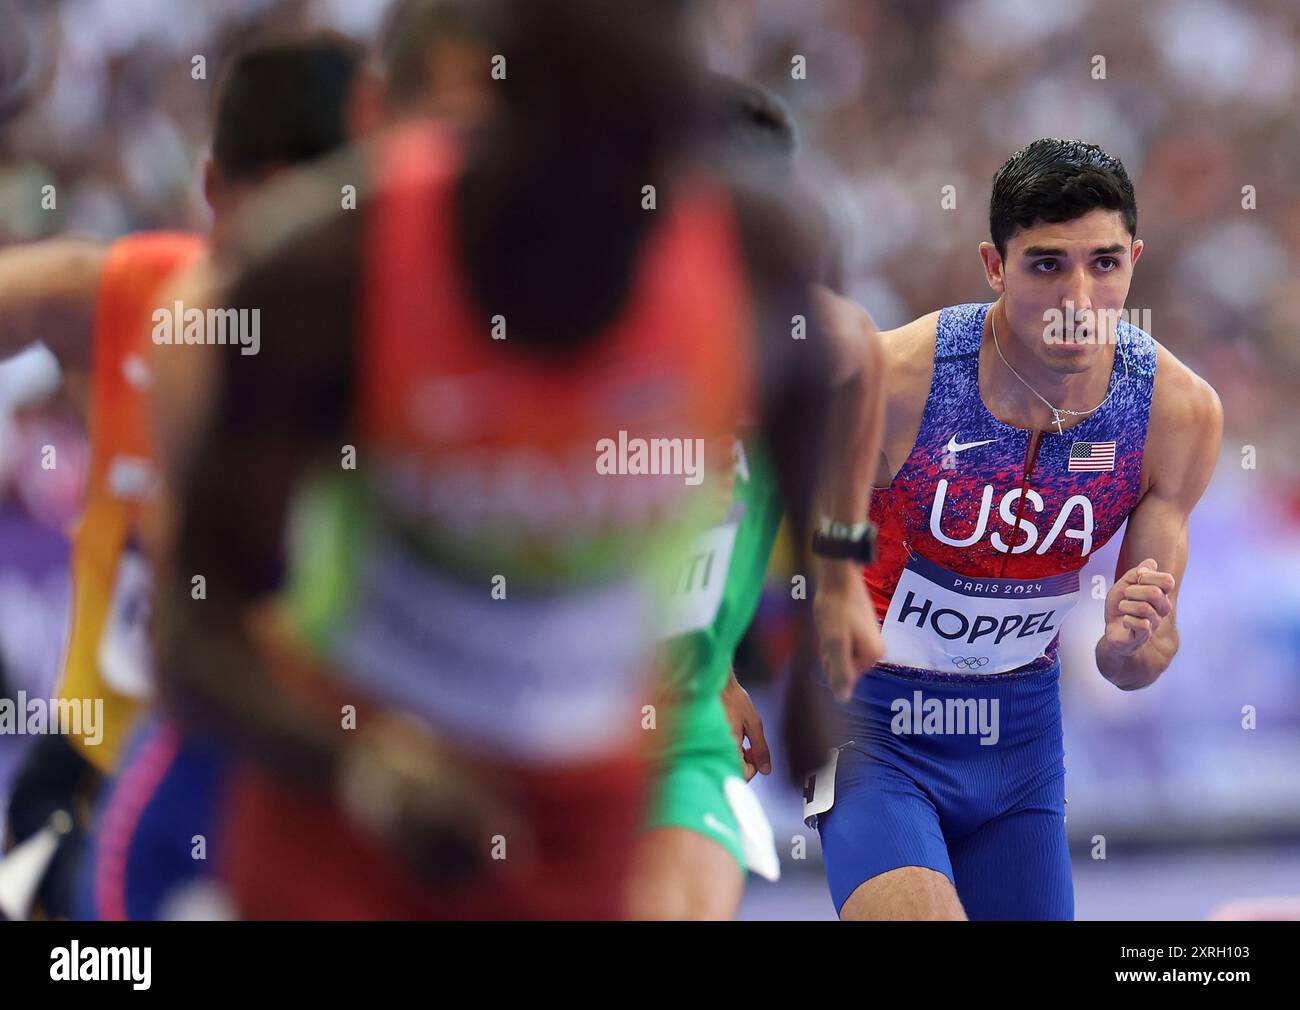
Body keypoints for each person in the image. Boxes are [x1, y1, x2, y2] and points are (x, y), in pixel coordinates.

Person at [161, 0, 837, 919]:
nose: (629, 205)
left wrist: (814, 680)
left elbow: (834, 381)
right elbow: (196, 632)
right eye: (585, 158)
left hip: (584, 809)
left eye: (662, 164)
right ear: (499, 112)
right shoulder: (322, 271)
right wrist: (364, 768)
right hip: (344, 808)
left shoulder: (759, 258)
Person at [0, 32, 368, 919]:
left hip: (284, 794)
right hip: (88, 779)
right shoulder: (123, 293)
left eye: (319, 233)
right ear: (211, 193)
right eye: (269, 228)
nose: (288, 274)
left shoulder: (396, 371)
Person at [812, 138, 1223, 920]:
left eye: (1104, 264)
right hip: (875, 728)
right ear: (994, 266)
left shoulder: (1177, 414)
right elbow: (802, 507)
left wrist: (1126, 646)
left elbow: (1141, 661)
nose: (1079, 294)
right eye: (1046, 265)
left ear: (1134, 258)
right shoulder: (899, 379)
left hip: (1020, 747)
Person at [628, 74, 885, 920]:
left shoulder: (804, 347)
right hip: (535, 724)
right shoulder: (578, 337)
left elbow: (855, 348)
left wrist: (840, 582)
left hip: (684, 729)